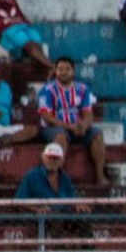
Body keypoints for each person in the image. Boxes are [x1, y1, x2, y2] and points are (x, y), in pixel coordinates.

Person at [38, 57, 109, 186]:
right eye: (60, 69)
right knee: (60, 137)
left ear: (73, 72)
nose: (63, 72)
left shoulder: (82, 88)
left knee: (97, 135)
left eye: (67, 69)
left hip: (76, 128)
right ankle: (57, 177)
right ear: (56, 71)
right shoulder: (48, 89)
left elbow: (88, 113)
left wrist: (84, 125)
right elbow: (46, 115)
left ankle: (100, 176)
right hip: (53, 128)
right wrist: (69, 127)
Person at [15, 143, 93, 239]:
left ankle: (88, 251)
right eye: (49, 158)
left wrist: (78, 204)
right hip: (41, 215)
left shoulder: (64, 178)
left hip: (64, 213)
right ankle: (57, 250)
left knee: (84, 218)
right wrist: (37, 209)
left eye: (55, 158)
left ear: (61, 161)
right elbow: (19, 201)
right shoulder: (31, 176)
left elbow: (72, 196)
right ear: (43, 158)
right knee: (56, 218)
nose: (52, 161)